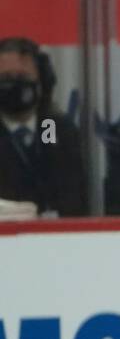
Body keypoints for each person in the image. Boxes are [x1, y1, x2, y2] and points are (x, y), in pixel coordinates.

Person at [0, 36, 87, 217]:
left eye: (22, 77)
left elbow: (74, 195)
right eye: (6, 78)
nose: (13, 85)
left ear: (43, 83)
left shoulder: (53, 128)